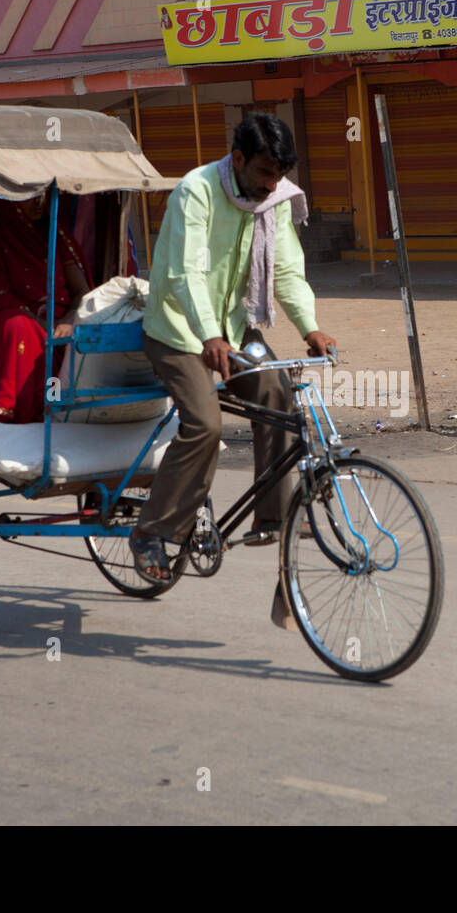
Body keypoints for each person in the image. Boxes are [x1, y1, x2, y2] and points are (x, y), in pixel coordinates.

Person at [130, 114, 336, 623]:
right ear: (238, 160)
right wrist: (207, 335)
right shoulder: (196, 191)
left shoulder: (272, 200)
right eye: (265, 173)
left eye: (278, 176)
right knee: (205, 423)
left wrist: (310, 326)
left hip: (233, 329)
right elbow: (186, 272)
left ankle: (273, 518)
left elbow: (286, 269)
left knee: (277, 396)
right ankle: (154, 534)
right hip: (178, 331)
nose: (271, 186)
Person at [0, 194, 91, 422]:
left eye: (42, 194)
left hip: (62, 322)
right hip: (11, 326)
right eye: (28, 196)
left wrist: (69, 319)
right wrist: (47, 328)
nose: (39, 202)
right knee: (19, 326)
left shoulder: (53, 235)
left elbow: (82, 291)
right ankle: (20, 414)